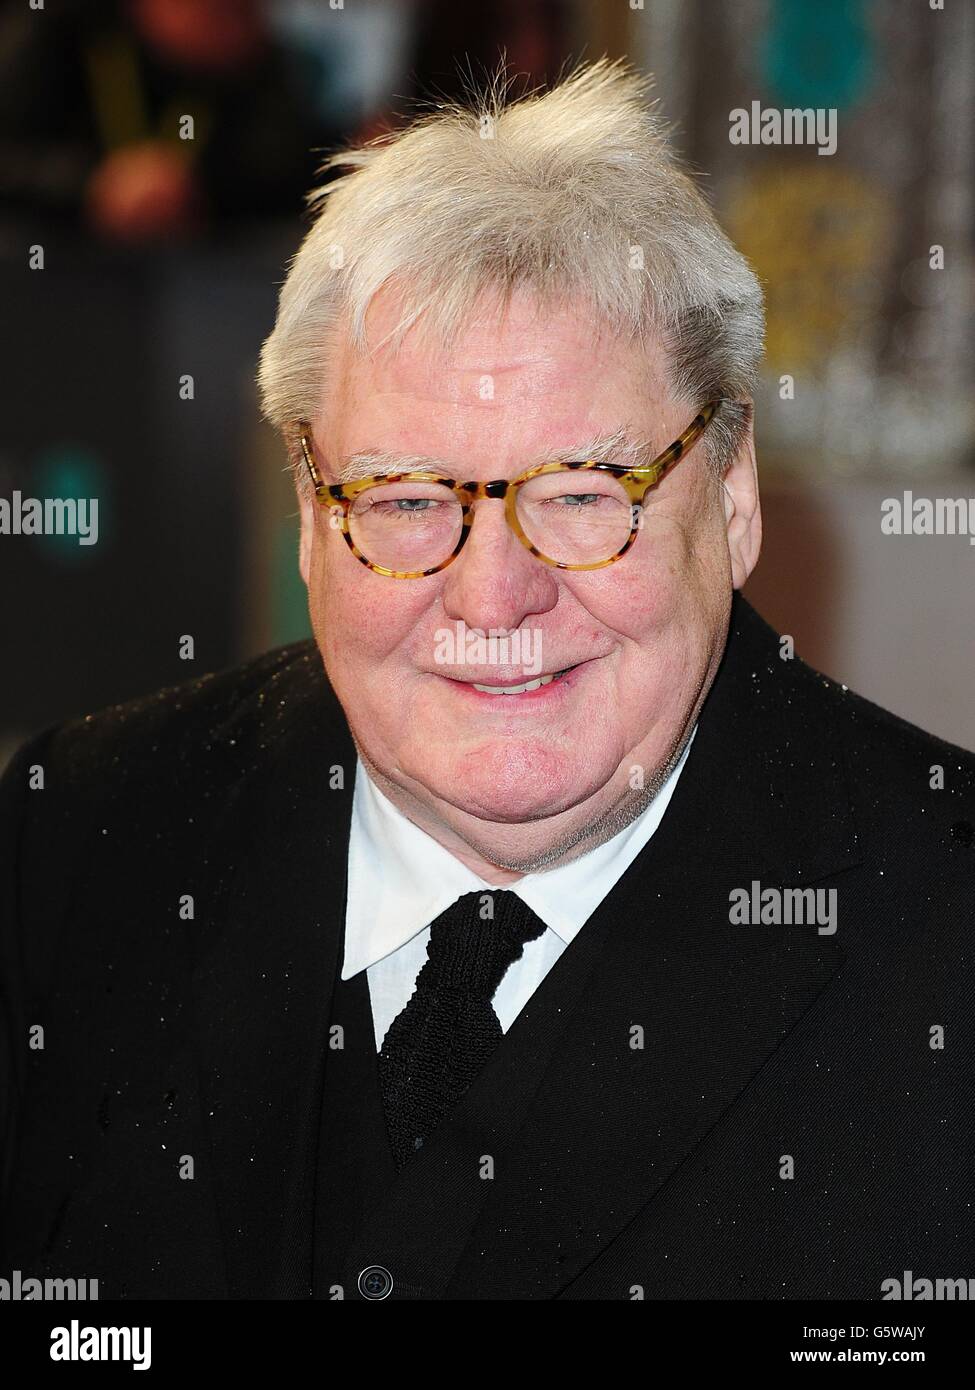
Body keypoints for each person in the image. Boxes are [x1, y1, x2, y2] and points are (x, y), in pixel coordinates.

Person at [1, 61, 972, 1302]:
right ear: (308, 515)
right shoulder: (73, 839)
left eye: (579, 495)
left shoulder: (943, 927)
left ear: (731, 503)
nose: (492, 594)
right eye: (404, 499)